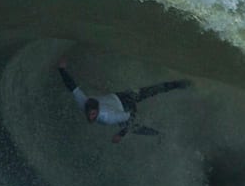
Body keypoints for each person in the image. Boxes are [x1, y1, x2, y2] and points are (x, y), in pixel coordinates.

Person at [57, 60, 191, 143]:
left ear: (98, 110)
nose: (90, 117)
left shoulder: (108, 117)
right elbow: (72, 86)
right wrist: (62, 69)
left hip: (127, 104)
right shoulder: (84, 102)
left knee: (132, 127)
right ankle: (159, 133)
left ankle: (180, 85)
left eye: (93, 114)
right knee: (148, 92)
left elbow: (130, 117)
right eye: (90, 114)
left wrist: (120, 135)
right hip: (118, 97)